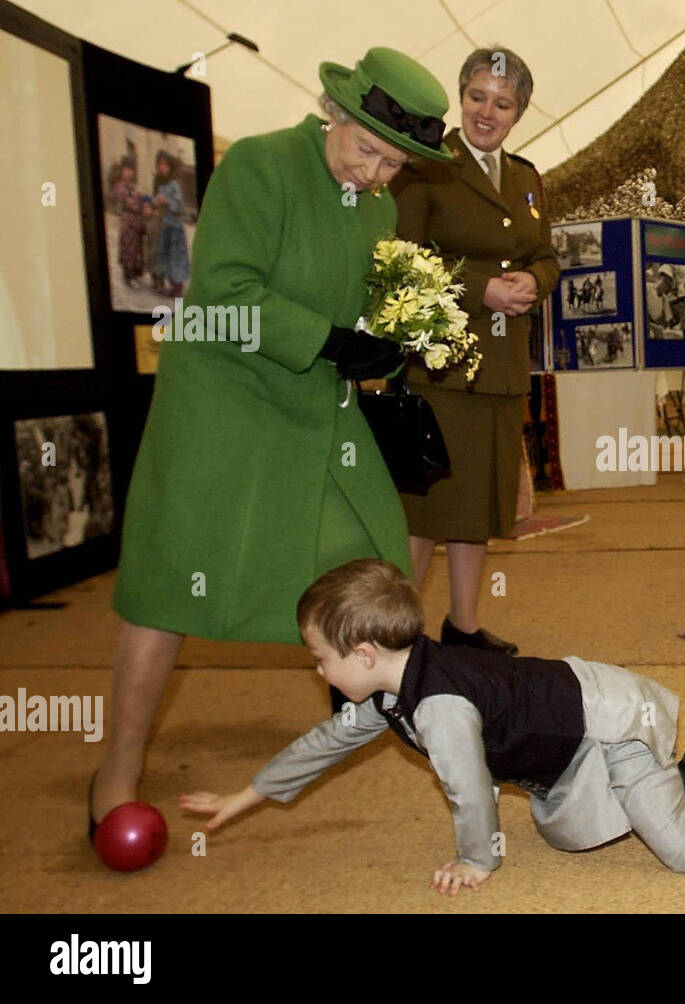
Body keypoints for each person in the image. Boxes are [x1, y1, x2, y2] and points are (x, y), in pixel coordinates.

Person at [91, 48, 451, 835]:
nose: (376, 175)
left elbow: (361, 303)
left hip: (313, 410)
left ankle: (388, 715)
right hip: (223, 403)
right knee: (167, 585)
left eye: (394, 164)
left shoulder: (381, 208)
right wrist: (329, 341)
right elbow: (224, 290)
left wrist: (390, 338)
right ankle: (115, 770)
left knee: (373, 556)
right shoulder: (261, 165)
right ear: (334, 112)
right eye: (367, 151)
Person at [179, 558, 685, 891]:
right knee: (566, 834)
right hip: (575, 741)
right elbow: (326, 742)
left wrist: (478, 859)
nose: (317, 672)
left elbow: (470, 795)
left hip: (615, 725)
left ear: (366, 653)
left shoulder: (440, 709)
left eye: (320, 659)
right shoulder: (397, 684)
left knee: (682, 853)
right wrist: (244, 796)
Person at [391, 46, 559, 656]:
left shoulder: (526, 178)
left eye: (503, 103)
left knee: (478, 507)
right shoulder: (425, 167)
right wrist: (478, 286)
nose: (487, 112)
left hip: (503, 363)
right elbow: (401, 257)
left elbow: (545, 255)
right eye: (477, 97)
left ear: (519, 112)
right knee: (427, 508)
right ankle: (398, 635)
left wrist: (534, 283)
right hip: (443, 363)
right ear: (460, 96)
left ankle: (461, 627)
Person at [150, 151, 190, 297]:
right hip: (165, 226)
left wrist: (166, 201)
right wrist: (154, 202)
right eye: (159, 164)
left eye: (165, 164)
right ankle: (168, 285)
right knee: (165, 255)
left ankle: (177, 289)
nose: (162, 167)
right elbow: (156, 201)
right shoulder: (159, 181)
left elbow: (179, 206)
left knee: (176, 257)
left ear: (170, 166)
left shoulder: (174, 183)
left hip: (175, 228)